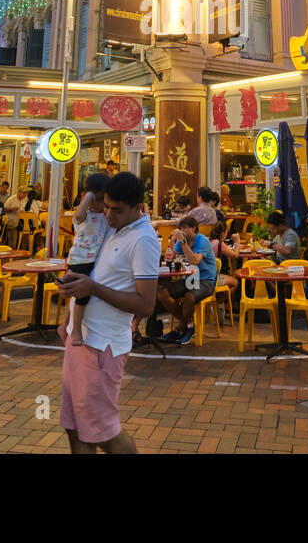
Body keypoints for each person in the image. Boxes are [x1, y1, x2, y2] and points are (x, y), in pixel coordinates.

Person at [54, 172, 160, 453]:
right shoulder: (112, 229)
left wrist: (92, 289)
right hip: (82, 340)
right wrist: (69, 313)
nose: (109, 214)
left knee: (102, 432)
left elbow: (146, 305)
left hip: (104, 347)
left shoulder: (143, 239)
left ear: (138, 207)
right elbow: (92, 272)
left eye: (117, 210)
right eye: (107, 206)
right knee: (75, 426)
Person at [63, 173, 111, 346]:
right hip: (80, 260)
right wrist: (88, 198)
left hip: (94, 260)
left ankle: (65, 325)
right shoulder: (84, 216)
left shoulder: (105, 215)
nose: (99, 204)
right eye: (95, 199)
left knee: (78, 296)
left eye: (102, 200)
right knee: (82, 297)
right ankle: (76, 331)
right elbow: (78, 214)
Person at [155, 216, 218, 345]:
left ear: (193, 228)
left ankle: (184, 328)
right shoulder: (181, 242)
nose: (182, 230)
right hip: (188, 278)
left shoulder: (203, 241)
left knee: (189, 297)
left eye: (184, 228)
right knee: (161, 291)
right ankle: (186, 325)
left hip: (206, 281)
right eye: (180, 228)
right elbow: (170, 259)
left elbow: (194, 261)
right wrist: (172, 241)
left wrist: (182, 241)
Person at [208, 222, 239, 296]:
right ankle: (220, 303)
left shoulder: (208, 240)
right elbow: (235, 255)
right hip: (212, 278)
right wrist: (237, 241)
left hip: (203, 276)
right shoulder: (219, 244)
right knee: (235, 282)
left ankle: (218, 304)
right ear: (223, 233)